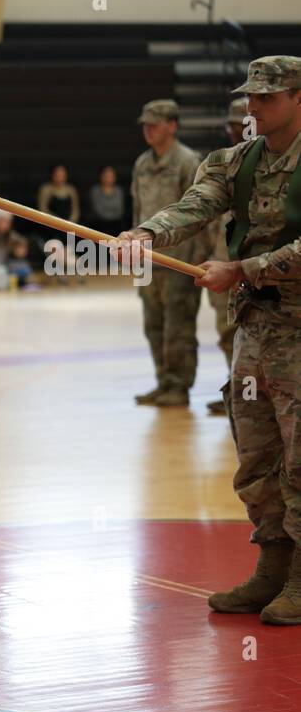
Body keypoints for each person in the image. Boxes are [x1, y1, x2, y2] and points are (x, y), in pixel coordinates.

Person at [118, 56, 301, 623]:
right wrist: (146, 232)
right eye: (250, 97)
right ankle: (272, 567)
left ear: (298, 97)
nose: (253, 107)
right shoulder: (237, 161)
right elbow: (195, 207)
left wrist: (243, 269)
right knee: (257, 457)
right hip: (255, 329)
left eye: (266, 98)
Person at [128, 99, 214, 408]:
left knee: (178, 326)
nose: (148, 129)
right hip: (147, 261)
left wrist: (197, 258)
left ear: (172, 125)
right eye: (145, 124)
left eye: (155, 123)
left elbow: (201, 214)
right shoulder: (142, 164)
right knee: (153, 325)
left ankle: (178, 386)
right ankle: (163, 380)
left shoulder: (189, 162)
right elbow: (138, 209)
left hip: (179, 260)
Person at [204, 97, 252, 416]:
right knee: (227, 332)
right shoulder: (224, 165)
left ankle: (249, 396)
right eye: (231, 127)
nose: (234, 133)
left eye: (239, 126)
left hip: (256, 270)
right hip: (223, 264)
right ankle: (237, 389)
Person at [36, 163, 81, 284]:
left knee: (69, 252)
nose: (60, 177)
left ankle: (71, 264)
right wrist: (58, 222)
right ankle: (60, 268)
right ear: (52, 175)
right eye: (58, 174)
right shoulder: (46, 189)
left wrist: (71, 222)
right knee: (57, 249)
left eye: (63, 174)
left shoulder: (70, 190)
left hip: (67, 228)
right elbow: (42, 208)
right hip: (51, 227)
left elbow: (75, 209)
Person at [86, 164, 126, 234]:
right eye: (107, 176)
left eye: (111, 176)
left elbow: (120, 210)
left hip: (116, 225)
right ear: (101, 176)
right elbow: (98, 211)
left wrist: (112, 220)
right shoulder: (95, 191)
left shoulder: (119, 190)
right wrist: (108, 219)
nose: (109, 179)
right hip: (99, 225)